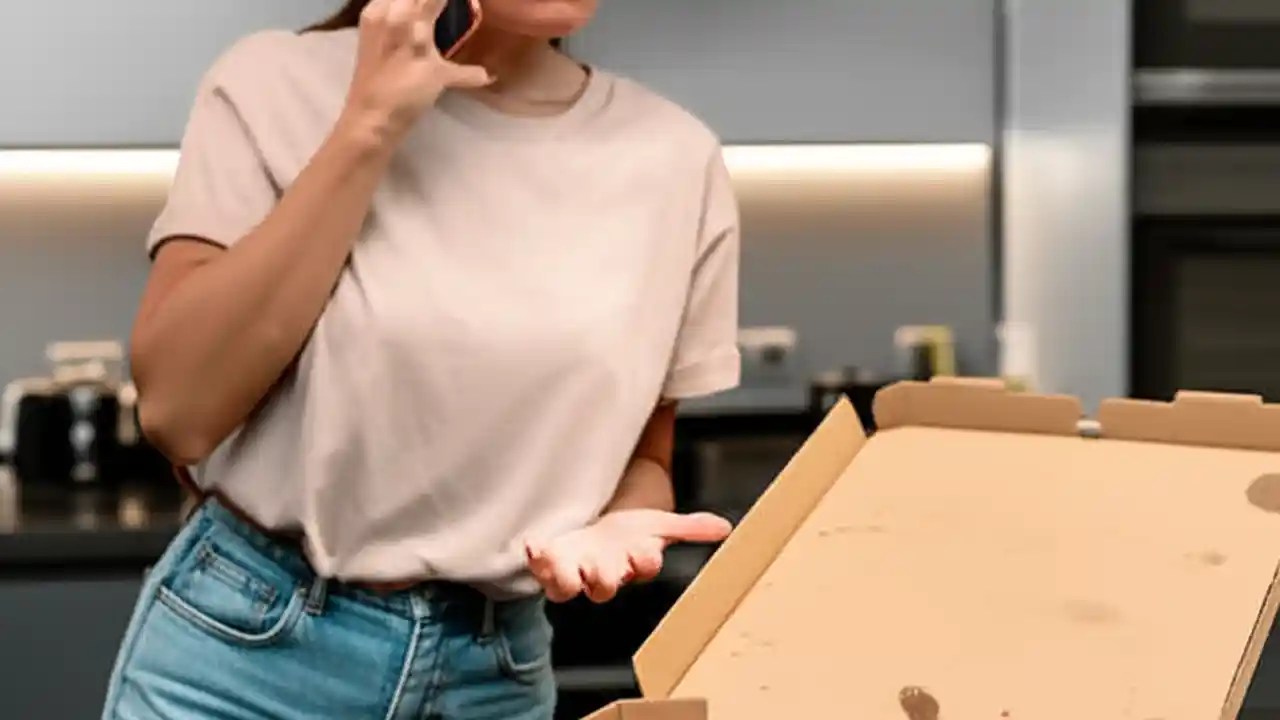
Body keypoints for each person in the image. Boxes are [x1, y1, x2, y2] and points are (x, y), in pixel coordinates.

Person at [100, 0, 741, 717]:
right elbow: (178, 414)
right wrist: (367, 126)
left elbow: (647, 458)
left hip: (495, 676)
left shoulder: (676, 159)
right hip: (249, 658)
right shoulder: (271, 84)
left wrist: (620, 522)